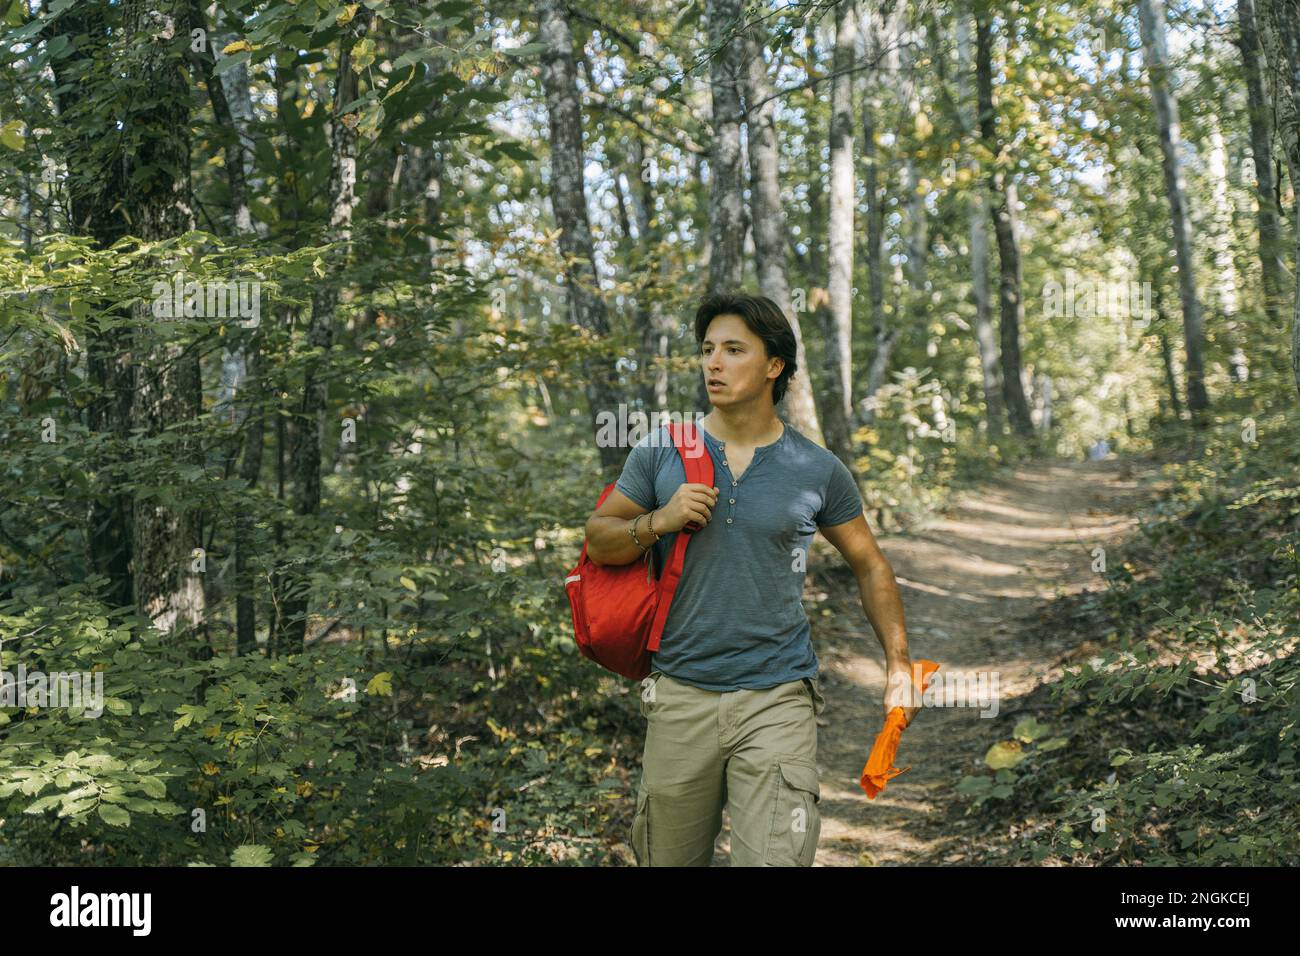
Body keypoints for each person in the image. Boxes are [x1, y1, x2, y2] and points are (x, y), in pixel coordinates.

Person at [582, 292, 917, 866]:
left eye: (734, 349)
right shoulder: (663, 449)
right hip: (681, 693)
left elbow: (870, 564)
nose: (714, 362)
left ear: (773, 365)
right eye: (708, 349)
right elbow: (599, 538)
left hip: (777, 694)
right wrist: (658, 521)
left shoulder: (815, 468)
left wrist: (899, 662)